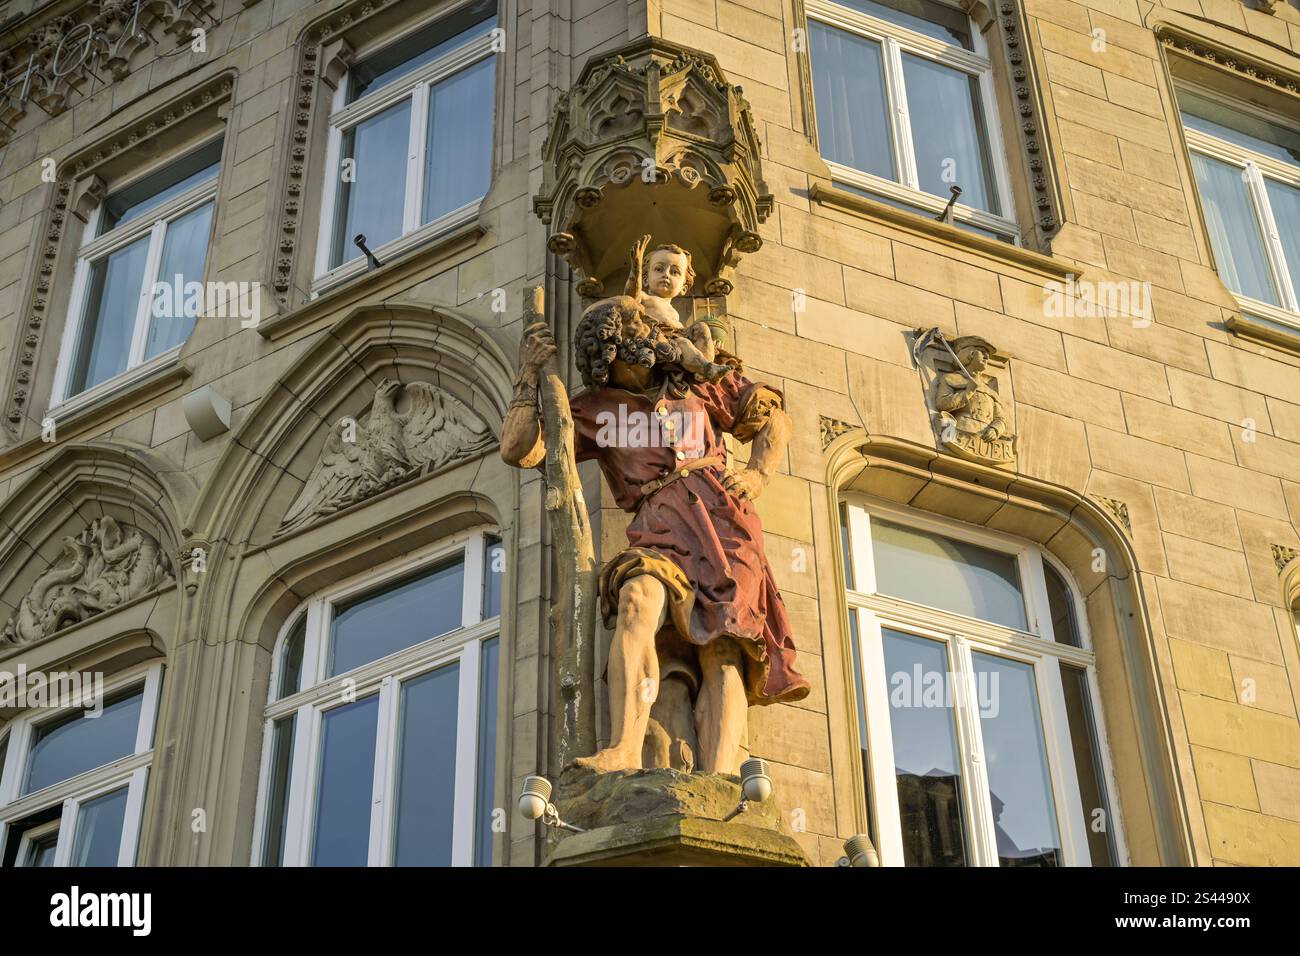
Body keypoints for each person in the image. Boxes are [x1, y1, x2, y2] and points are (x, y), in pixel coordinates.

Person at [501, 287, 810, 776]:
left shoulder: (697, 384)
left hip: (725, 525)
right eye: (638, 325)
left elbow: (774, 418)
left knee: (724, 649)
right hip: (658, 527)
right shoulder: (593, 409)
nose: (653, 332)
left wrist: (758, 474)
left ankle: (720, 777)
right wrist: (527, 374)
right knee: (636, 600)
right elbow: (521, 449)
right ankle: (624, 749)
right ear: (611, 345)